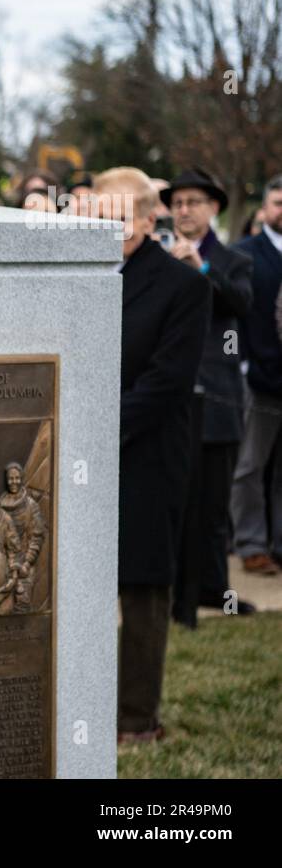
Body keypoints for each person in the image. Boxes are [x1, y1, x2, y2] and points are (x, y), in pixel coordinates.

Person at [97, 166, 210, 743]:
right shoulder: (81, 276)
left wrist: (95, 429)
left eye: (118, 216)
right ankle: (84, 700)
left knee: (142, 586)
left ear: (147, 218)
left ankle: (137, 720)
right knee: (86, 578)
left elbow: (167, 384)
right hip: (81, 459)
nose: (106, 225)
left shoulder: (183, 286)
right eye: (97, 212)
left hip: (147, 455)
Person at [160, 168, 257, 620]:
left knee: (213, 504)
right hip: (171, 399)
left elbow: (239, 303)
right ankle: (176, 588)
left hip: (218, 399)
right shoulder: (157, 257)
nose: (184, 210)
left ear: (213, 208)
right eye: (177, 203)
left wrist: (198, 267)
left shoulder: (233, 258)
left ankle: (215, 588)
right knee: (175, 500)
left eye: (193, 202)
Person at [229, 174, 282, 576]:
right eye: (278, 203)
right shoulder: (245, 253)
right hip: (259, 379)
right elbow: (235, 315)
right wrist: (244, 363)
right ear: (264, 208)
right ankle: (250, 543)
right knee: (250, 466)